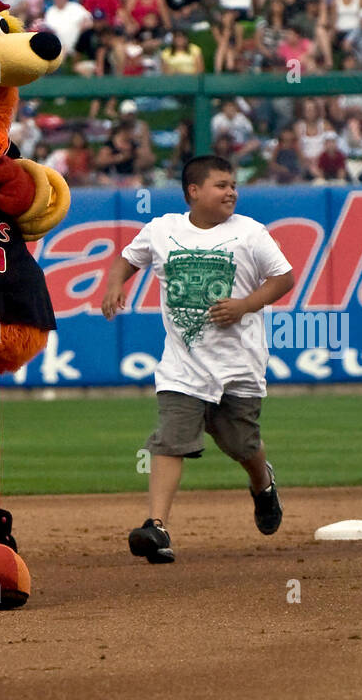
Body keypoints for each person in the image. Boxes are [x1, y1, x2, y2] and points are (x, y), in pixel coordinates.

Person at [101, 154, 295, 564]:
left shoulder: (250, 233)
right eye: (221, 185)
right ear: (193, 191)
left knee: (241, 443)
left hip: (238, 365)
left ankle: (263, 483)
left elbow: (283, 278)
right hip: (182, 366)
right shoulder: (162, 230)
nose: (231, 192)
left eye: (233, 185)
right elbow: (127, 258)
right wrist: (114, 284)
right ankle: (157, 526)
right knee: (170, 440)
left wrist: (244, 304)